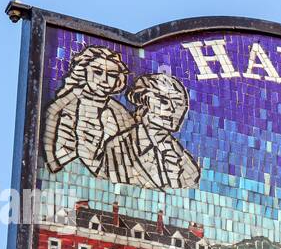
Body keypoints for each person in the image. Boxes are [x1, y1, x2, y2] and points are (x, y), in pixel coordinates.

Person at [42, 46, 132, 175]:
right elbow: (51, 117)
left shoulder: (117, 111)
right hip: (67, 167)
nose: (104, 80)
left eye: (111, 75)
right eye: (97, 72)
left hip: (99, 174)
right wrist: (52, 162)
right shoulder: (69, 99)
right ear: (84, 71)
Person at [101, 73, 200, 190]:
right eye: (165, 102)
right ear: (144, 100)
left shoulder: (188, 165)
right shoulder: (118, 147)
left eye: (180, 105)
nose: (174, 111)